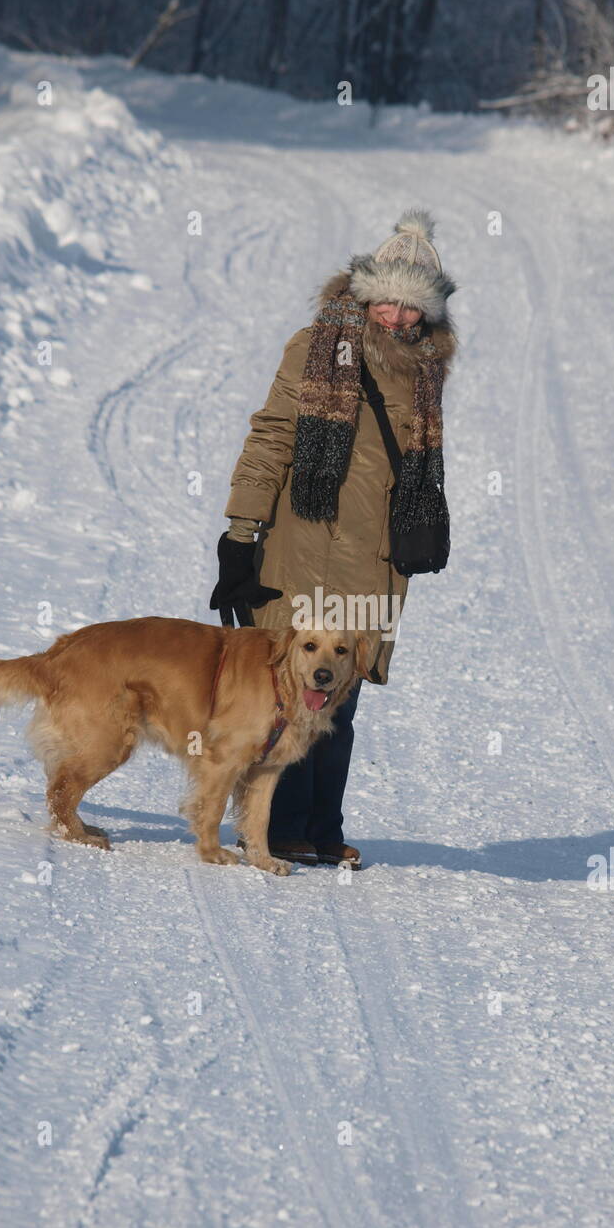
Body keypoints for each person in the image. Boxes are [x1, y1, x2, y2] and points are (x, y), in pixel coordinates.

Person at [210, 209, 457, 869]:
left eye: (411, 310)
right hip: (303, 550)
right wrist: (240, 533)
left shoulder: (426, 370)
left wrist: (423, 521)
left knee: (336, 695)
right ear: (365, 293)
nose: (396, 319)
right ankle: (275, 825)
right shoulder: (317, 346)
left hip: (373, 560)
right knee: (291, 690)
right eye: (387, 304)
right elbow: (271, 437)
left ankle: (320, 827)